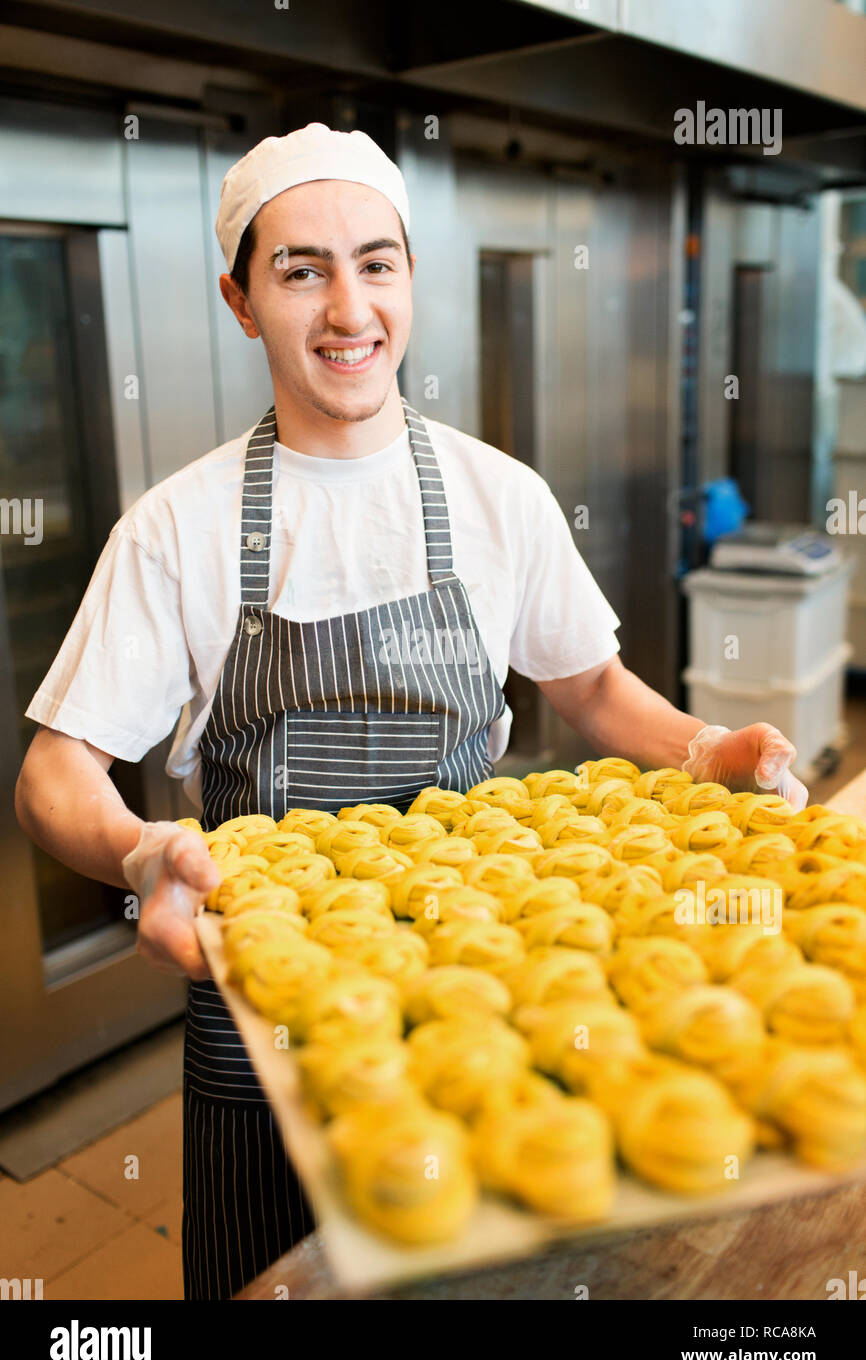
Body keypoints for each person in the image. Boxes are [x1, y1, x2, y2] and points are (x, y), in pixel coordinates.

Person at [14, 121, 808, 1300]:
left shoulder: (500, 497)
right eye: (300, 270)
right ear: (239, 299)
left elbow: (584, 681)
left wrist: (704, 746)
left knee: (475, 1269)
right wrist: (137, 849)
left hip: (483, 983)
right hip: (270, 1013)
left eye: (373, 263)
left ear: (409, 279)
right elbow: (54, 771)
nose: (347, 308)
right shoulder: (176, 530)